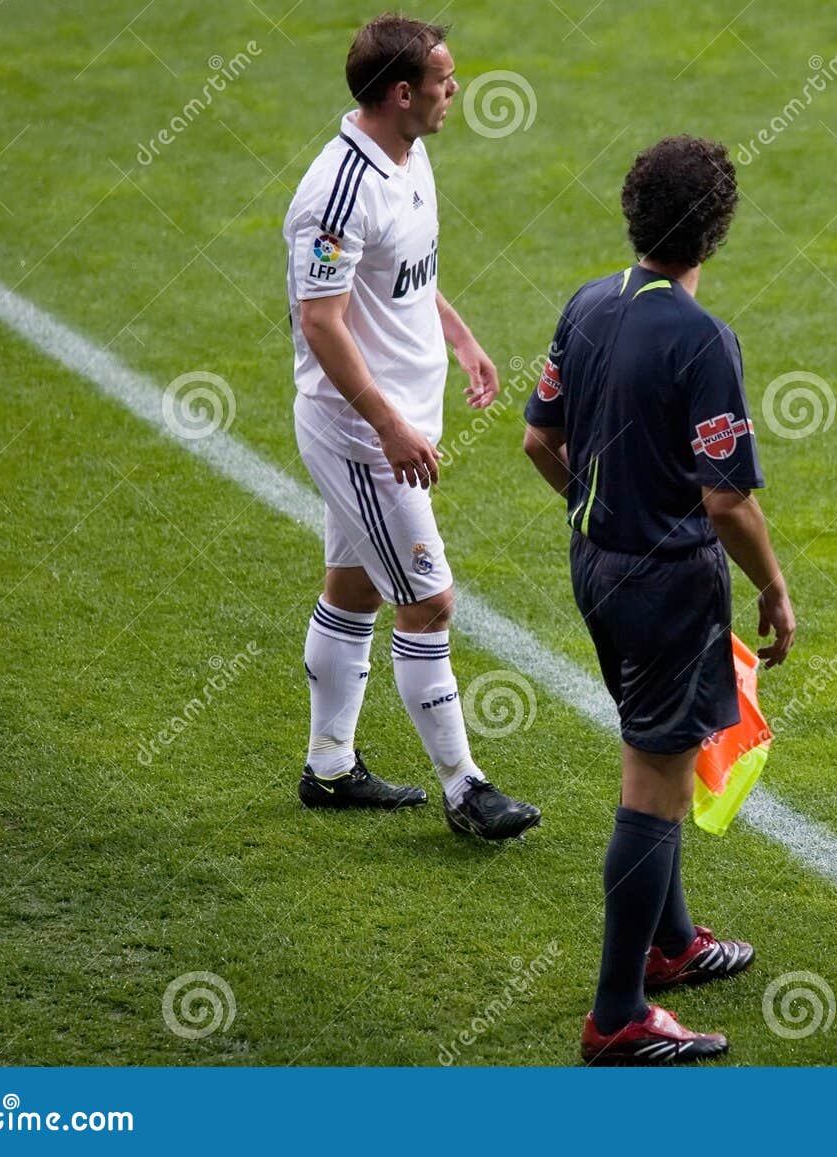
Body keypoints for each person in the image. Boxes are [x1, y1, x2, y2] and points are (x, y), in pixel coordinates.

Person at [522, 135, 796, 1064]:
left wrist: (605, 504)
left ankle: (673, 941)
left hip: (596, 566)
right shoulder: (703, 339)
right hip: (668, 583)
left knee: (657, 748)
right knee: (656, 782)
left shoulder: (589, 302)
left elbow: (537, 439)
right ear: (716, 233)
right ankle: (618, 1013)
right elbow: (727, 499)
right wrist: (772, 583)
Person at [282, 13, 540, 840]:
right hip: (359, 434)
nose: (455, 90)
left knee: (353, 588)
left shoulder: (408, 152)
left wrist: (459, 338)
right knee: (429, 600)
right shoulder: (336, 191)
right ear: (402, 92)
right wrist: (390, 426)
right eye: (444, 79)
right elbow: (321, 321)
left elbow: (406, 276)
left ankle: (329, 769)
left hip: (392, 422)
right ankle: (466, 789)